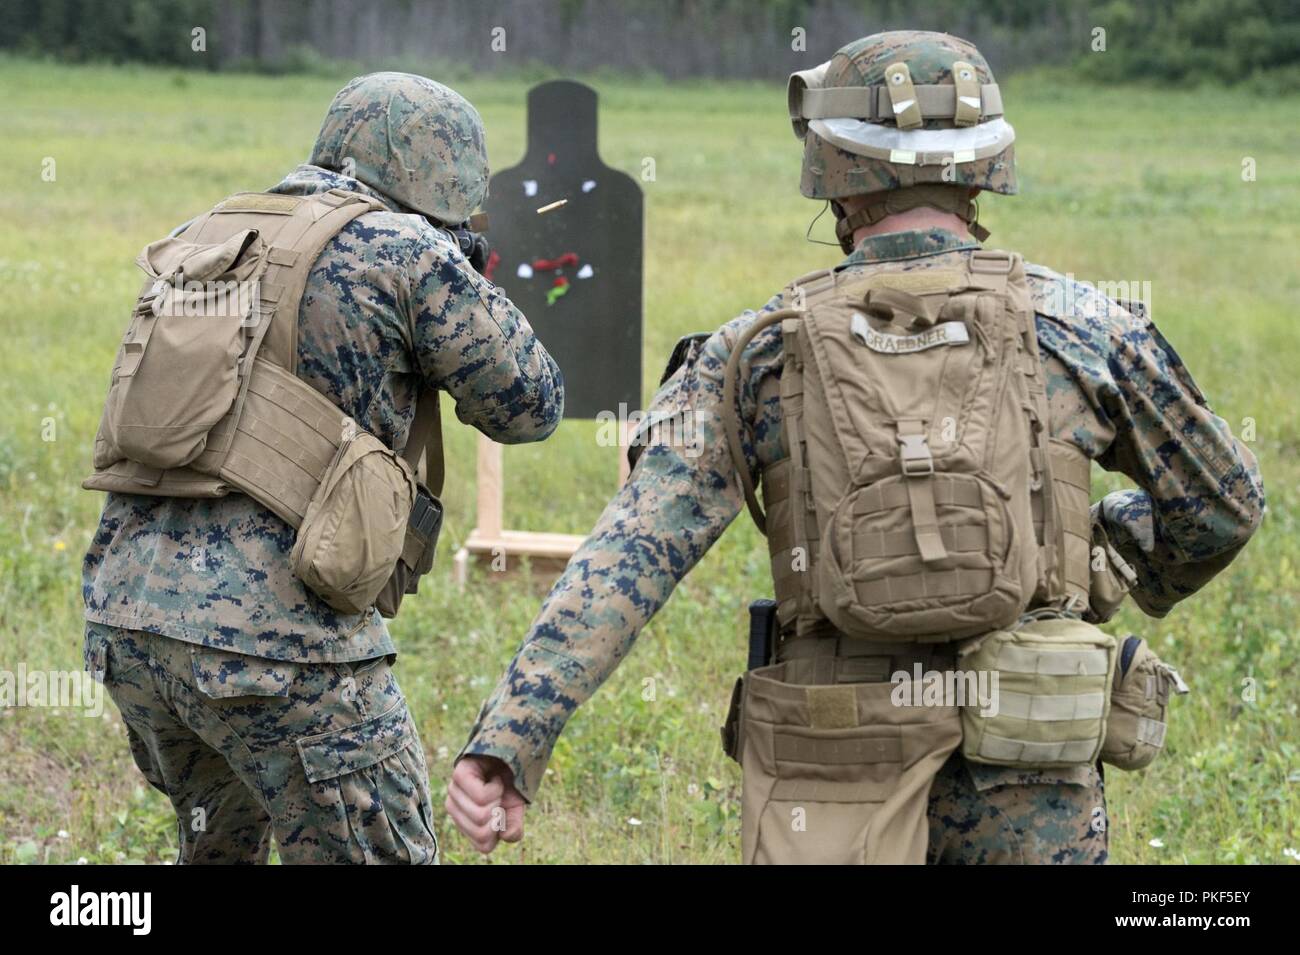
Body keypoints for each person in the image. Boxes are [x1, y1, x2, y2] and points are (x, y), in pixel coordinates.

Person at [448, 32, 1263, 864]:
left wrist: (509, 738)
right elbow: (1225, 506)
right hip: (1032, 757)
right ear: (984, 164)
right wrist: (1111, 549)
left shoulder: (754, 350)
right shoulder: (1086, 326)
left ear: (833, 167)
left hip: (831, 767)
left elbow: (631, 557)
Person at [81, 72, 563, 864]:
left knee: (218, 851)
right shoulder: (406, 249)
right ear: (442, 179)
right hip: (279, 648)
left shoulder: (206, 231)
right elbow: (530, 404)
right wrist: (467, 274)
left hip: (131, 624)